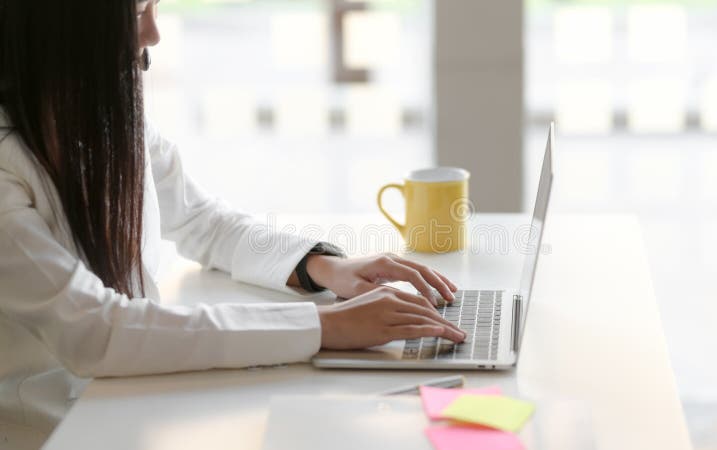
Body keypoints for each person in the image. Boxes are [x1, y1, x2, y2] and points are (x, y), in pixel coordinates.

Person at [0, 0, 466, 447]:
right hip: (52, 431)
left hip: (129, 400)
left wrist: (319, 268)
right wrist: (325, 326)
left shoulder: (97, 113)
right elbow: (97, 330)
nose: (153, 34)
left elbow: (205, 221)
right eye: (138, 12)